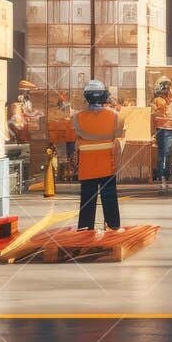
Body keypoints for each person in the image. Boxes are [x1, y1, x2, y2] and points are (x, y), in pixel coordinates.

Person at [74, 79, 125, 231]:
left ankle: (84, 229)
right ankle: (113, 226)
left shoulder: (77, 118)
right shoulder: (116, 116)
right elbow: (118, 138)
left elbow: (75, 139)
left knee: (87, 199)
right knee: (109, 197)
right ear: (104, 96)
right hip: (107, 165)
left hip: (87, 167)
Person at [150, 77, 172, 189]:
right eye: (165, 86)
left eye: (168, 86)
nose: (167, 88)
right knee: (163, 153)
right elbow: (154, 115)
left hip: (170, 129)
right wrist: (153, 131)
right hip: (161, 129)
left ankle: (165, 177)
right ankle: (162, 177)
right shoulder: (157, 100)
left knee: (166, 153)